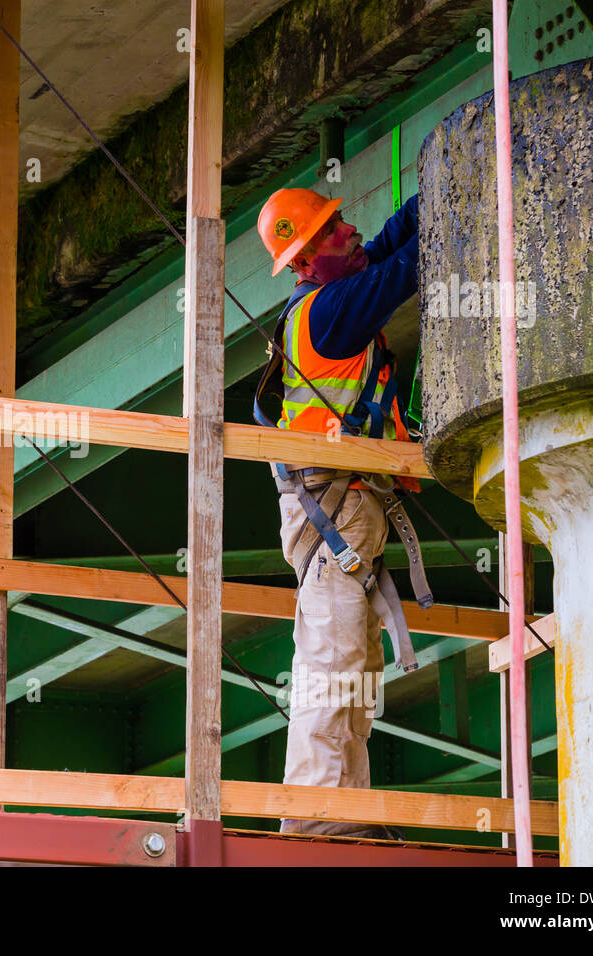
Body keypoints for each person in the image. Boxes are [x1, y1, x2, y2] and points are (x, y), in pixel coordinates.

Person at [254, 187, 429, 839]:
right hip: (335, 513)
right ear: (305, 263)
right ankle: (316, 818)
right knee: (332, 661)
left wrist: (433, 188)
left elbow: (389, 242)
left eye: (340, 222)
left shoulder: (332, 294)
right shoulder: (330, 312)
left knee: (353, 664)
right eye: (332, 231)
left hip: (347, 512)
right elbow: (405, 266)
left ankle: (343, 813)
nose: (349, 231)